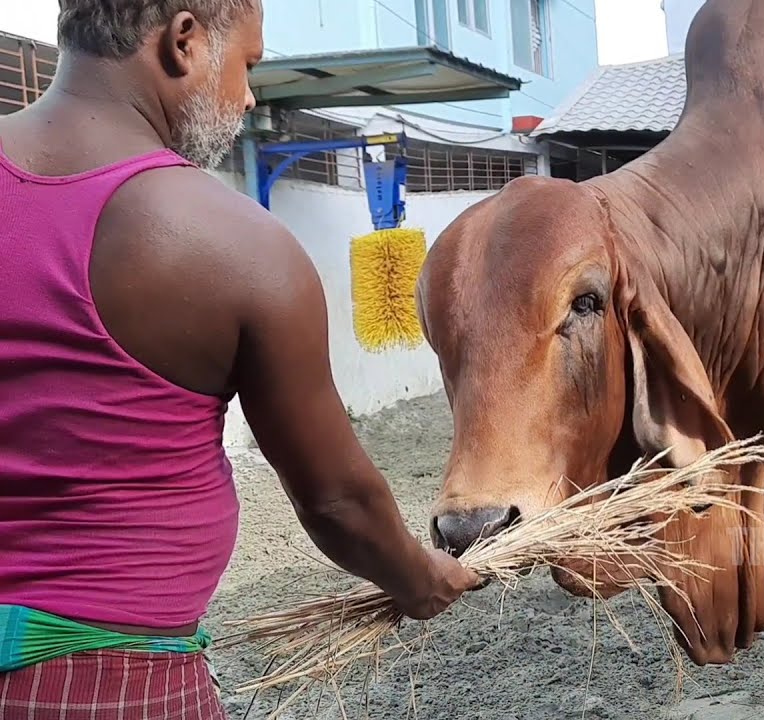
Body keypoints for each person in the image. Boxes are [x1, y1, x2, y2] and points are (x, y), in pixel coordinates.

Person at [0, 1, 480, 716]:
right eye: (247, 64)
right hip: (108, 685)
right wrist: (421, 580)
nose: (250, 96)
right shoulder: (238, 246)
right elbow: (336, 501)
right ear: (184, 42)